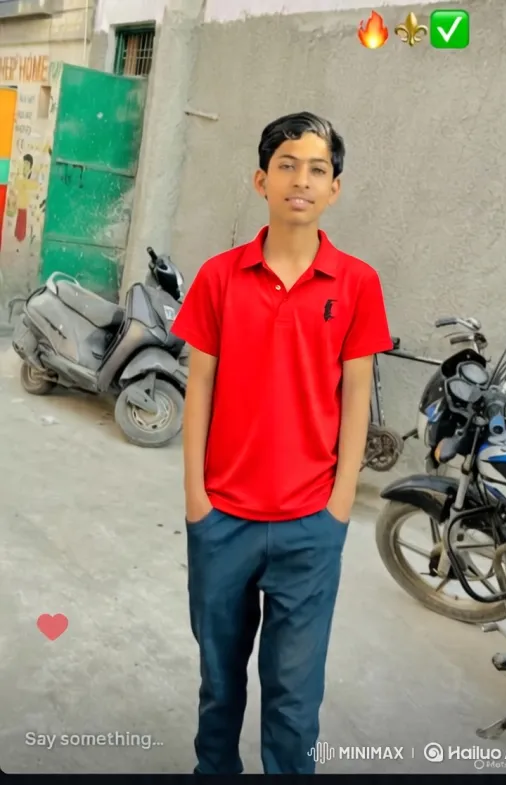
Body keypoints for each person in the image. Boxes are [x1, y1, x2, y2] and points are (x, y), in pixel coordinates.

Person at [171, 111, 393, 775]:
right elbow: (199, 388)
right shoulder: (219, 276)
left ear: (335, 188)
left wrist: (341, 500)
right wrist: (195, 500)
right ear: (260, 179)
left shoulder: (356, 284)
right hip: (223, 518)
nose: (302, 179)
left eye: (317, 168)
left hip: (309, 525)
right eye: (287, 165)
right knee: (219, 683)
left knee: (295, 698)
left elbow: (357, 394)